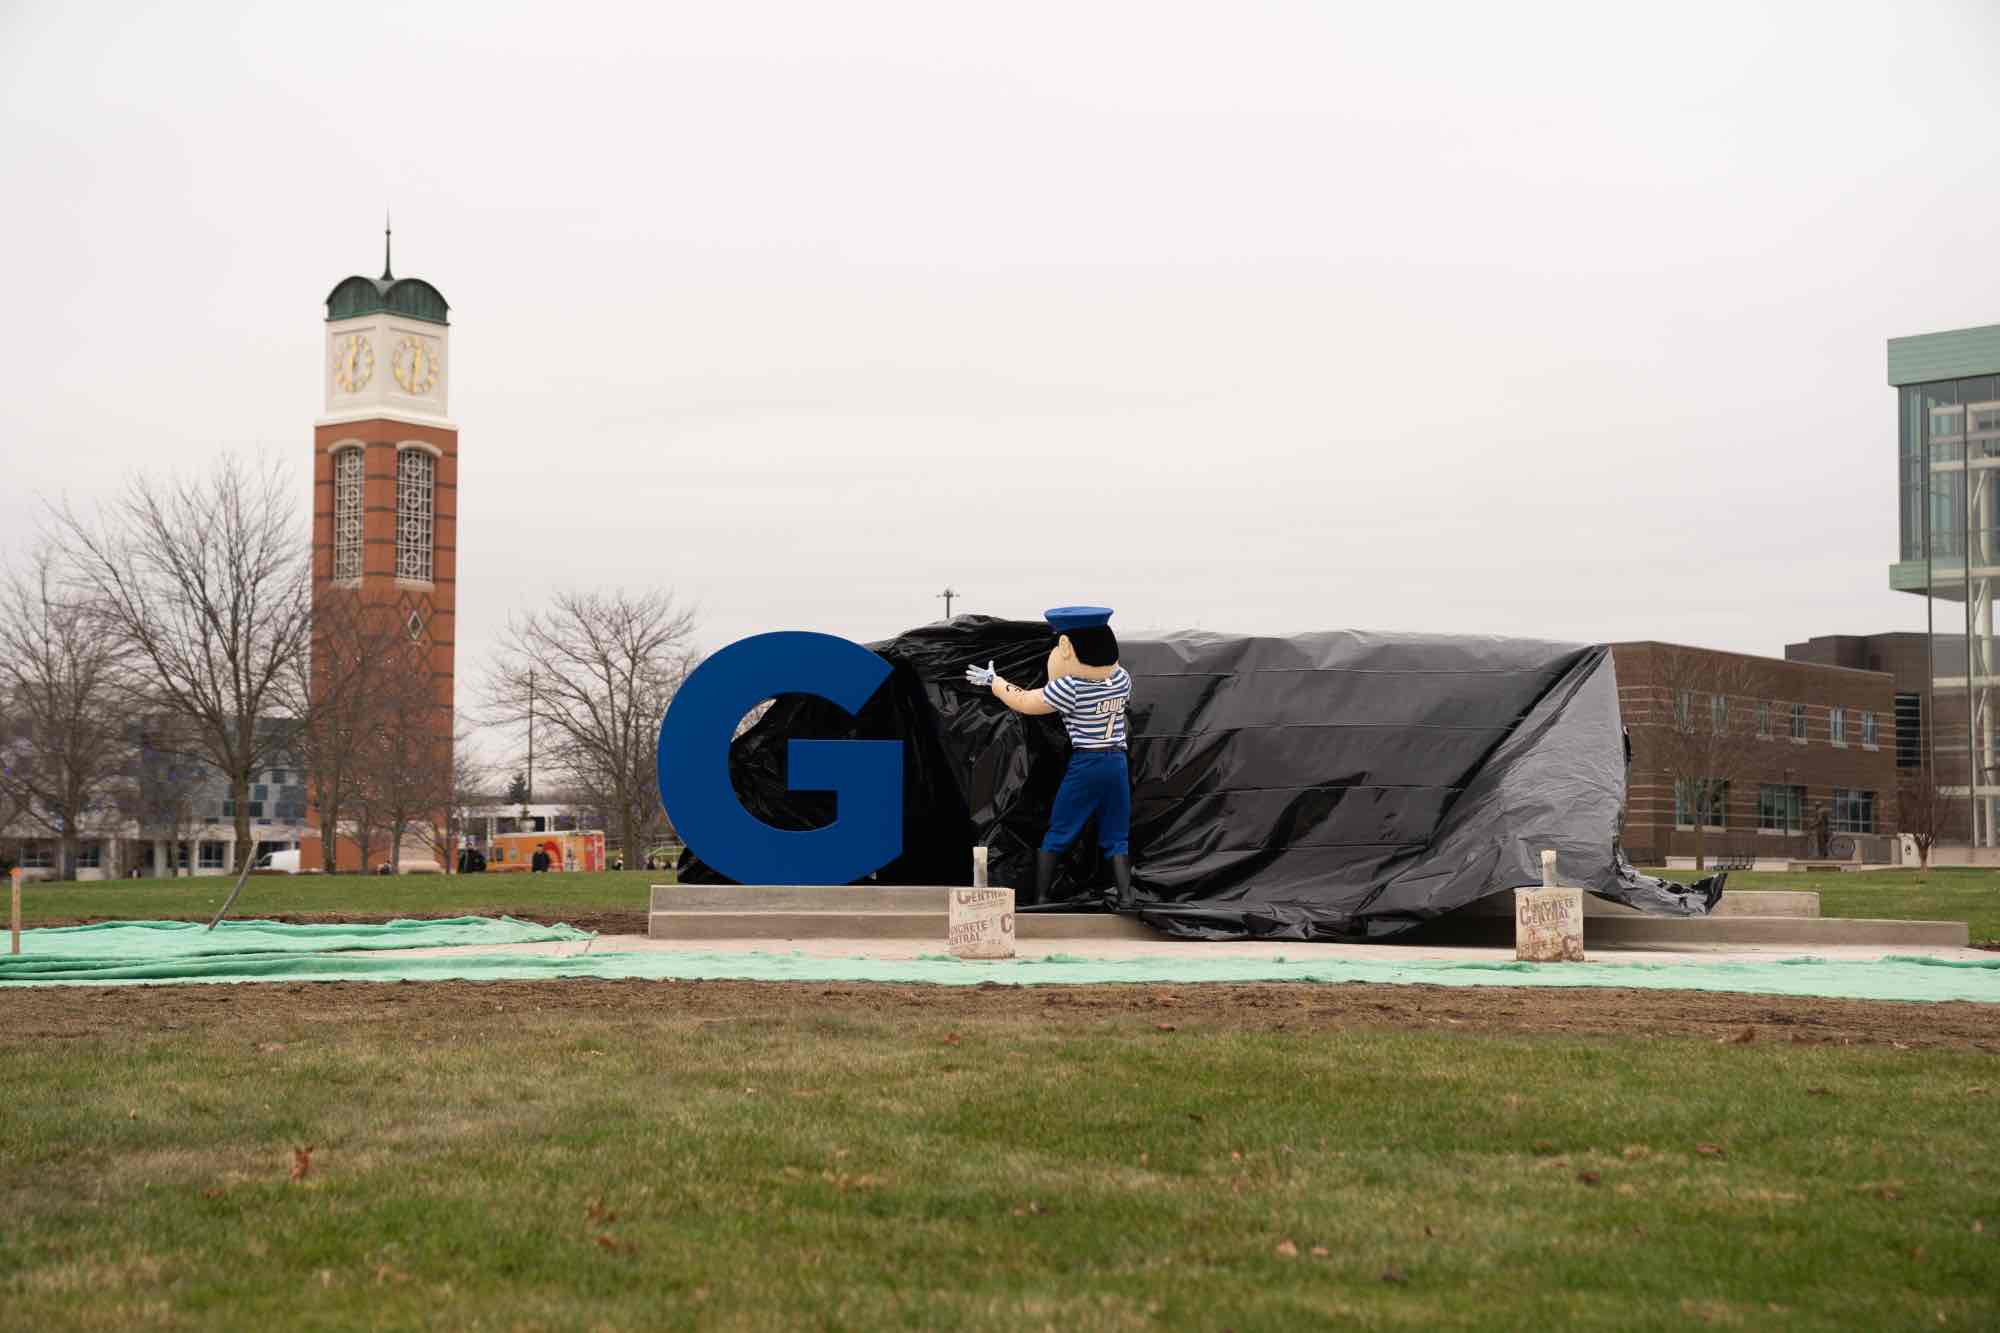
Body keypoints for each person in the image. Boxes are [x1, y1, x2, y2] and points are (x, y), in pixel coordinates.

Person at [966, 606, 1135, 910]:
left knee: (1060, 828)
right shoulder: (1122, 679)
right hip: (1117, 763)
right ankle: (1126, 896)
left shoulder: (1070, 688)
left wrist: (995, 681)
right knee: (1116, 833)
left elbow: (1025, 701)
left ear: (1067, 648)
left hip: (1087, 764)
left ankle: (1042, 896)